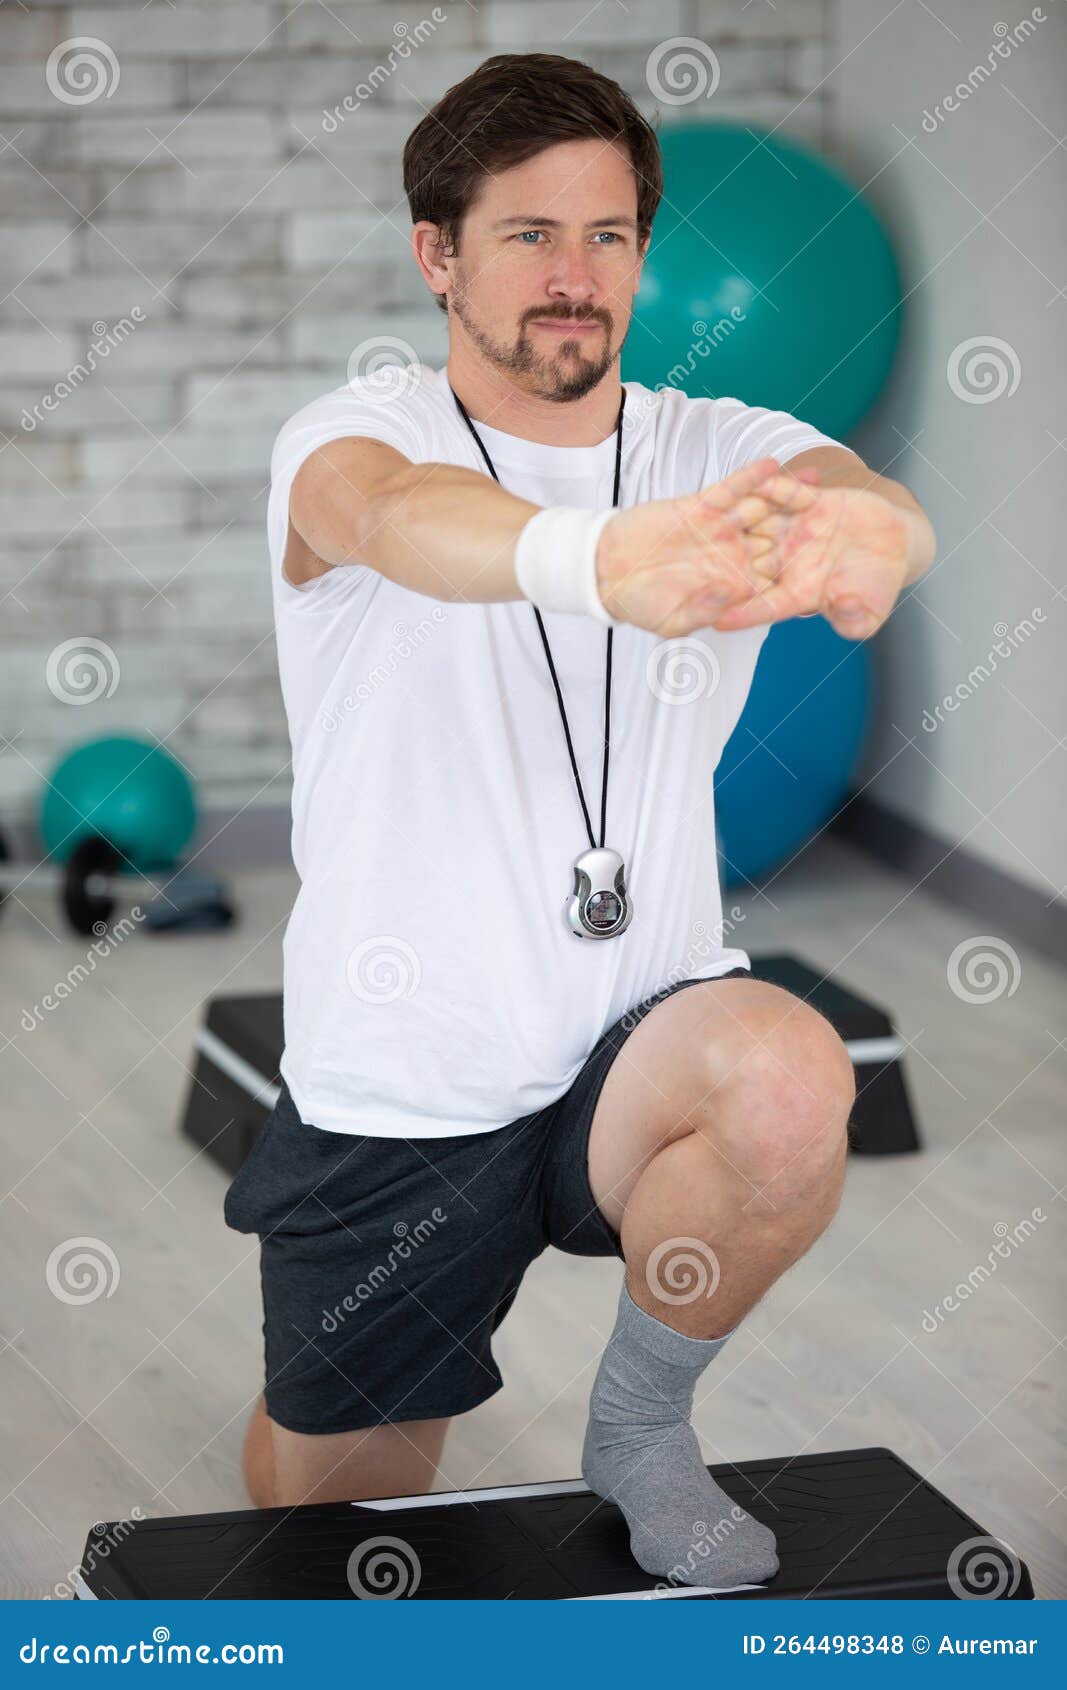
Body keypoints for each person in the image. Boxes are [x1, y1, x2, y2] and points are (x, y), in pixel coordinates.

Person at [224, 52, 936, 1589]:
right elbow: (397, 521)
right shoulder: (355, 437)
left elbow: (855, 490)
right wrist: (602, 562)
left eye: (607, 235)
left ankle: (641, 1424)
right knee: (330, 1509)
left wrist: (872, 534)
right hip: (409, 1082)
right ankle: (318, 1408)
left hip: (633, 1042)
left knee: (790, 1075)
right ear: (438, 254)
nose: (574, 276)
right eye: (529, 235)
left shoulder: (712, 444)